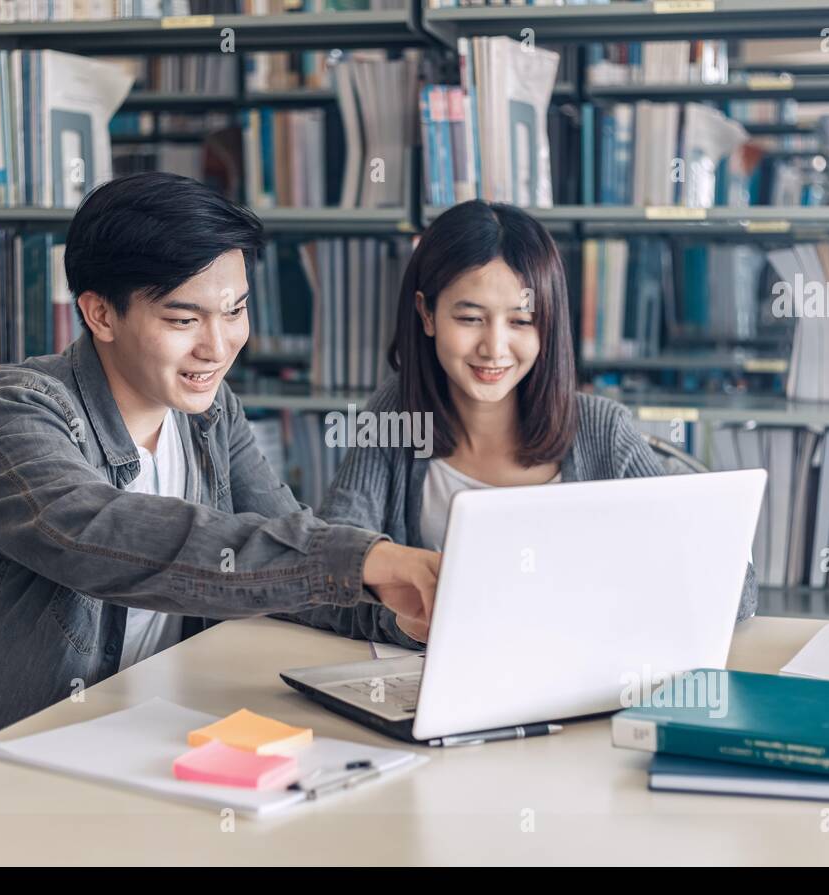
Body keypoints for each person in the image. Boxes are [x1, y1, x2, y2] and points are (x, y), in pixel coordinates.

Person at [0, 172, 439, 787]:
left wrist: (397, 614)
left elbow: (288, 556)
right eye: (183, 319)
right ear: (99, 314)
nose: (217, 347)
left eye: (236, 310)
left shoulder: (211, 416)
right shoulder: (15, 411)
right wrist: (363, 560)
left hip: (131, 753)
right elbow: (103, 537)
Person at [279, 200, 757, 648]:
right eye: (470, 318)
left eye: (521, 321)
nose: (495, 347)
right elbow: (326, 577)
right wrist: (412, 627)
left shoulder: (601, 431)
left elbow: (736, 590)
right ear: (426, 314)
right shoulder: (395, 415)